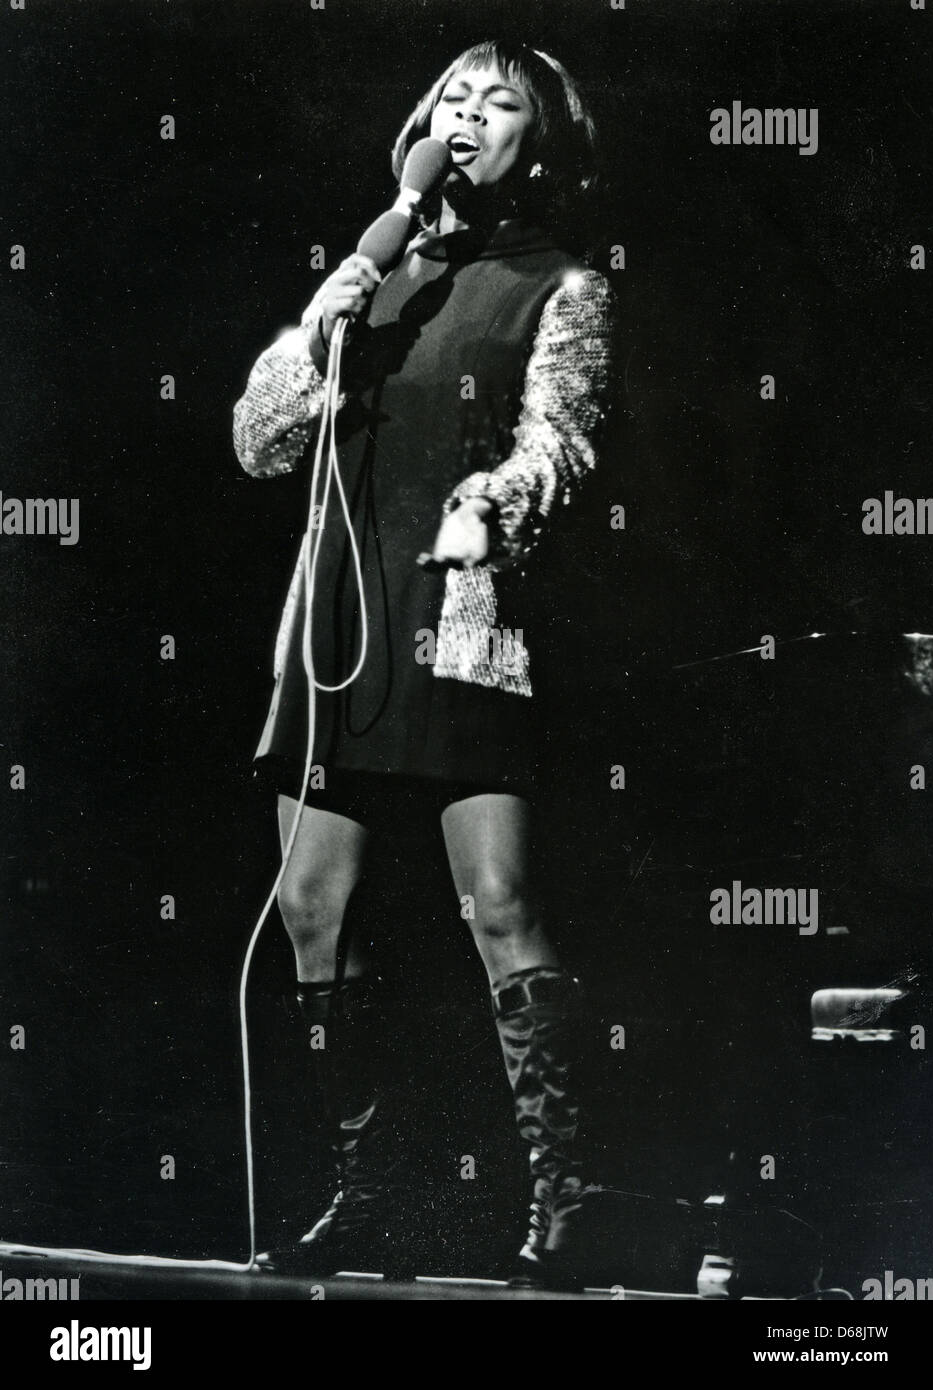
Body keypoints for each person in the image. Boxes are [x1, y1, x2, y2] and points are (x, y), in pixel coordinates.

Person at [232, 39, 616, 1288]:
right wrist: (335, 297)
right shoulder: (374, 272)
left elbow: (562, 444)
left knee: (497, 906)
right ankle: (373, 1193)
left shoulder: (559, 283)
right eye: (449, 98)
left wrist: (493, 501)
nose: (466, 118)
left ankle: (564, 1202)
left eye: (496, 104)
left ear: (536, 140)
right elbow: (256, 440)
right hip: (338, 621)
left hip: (457, 615)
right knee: (309, 909)